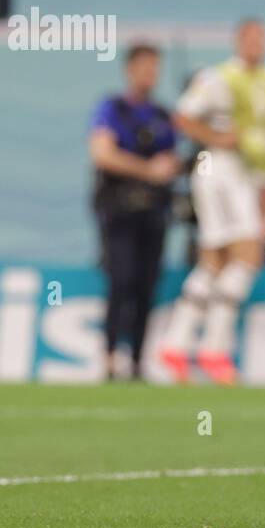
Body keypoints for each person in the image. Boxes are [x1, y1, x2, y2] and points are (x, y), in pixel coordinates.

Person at [158, 18, 265, 384]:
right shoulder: (219, 78)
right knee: (248, 255)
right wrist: (214, 137)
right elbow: (182, 115)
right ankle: (214, 349)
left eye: (262, 38)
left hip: (248, 175)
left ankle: (176, 344)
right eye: (251, 38)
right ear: (238, 41)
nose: (257, 44)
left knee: (214, 261)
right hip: (219, 171)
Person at [89, 43, 181, 382]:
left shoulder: (162, 116)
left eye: (154, 67)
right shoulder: (111, 108)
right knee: (121, 280)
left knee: (147, 285)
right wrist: (147, 170)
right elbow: (102, 154)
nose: (149, 74)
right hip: (119, 211)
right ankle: (111, 356)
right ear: (130, 69)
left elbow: (173, 162)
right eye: (144, 66)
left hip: (154, 213)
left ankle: (139, 361)